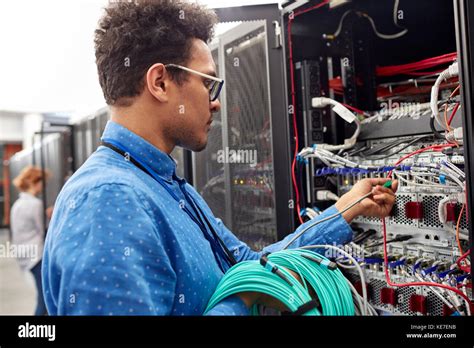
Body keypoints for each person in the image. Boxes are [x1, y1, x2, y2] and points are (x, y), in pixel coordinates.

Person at [42, 0, 397, 315]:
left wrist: (346, 209)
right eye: (208, 83)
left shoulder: (164, 185)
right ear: (160, 83)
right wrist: (243, 297)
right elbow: (247, 280)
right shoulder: (109, 200)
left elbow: (248, 264)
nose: (215, 101)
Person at [11, 165, 52, 315]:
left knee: (42, 297)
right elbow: (44, 231)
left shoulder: (17, 204)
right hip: (37, 256)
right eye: (43, 182)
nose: (44, 186)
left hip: (25, 254)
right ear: (35, 182)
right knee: (45, 300)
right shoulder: (35, 204)